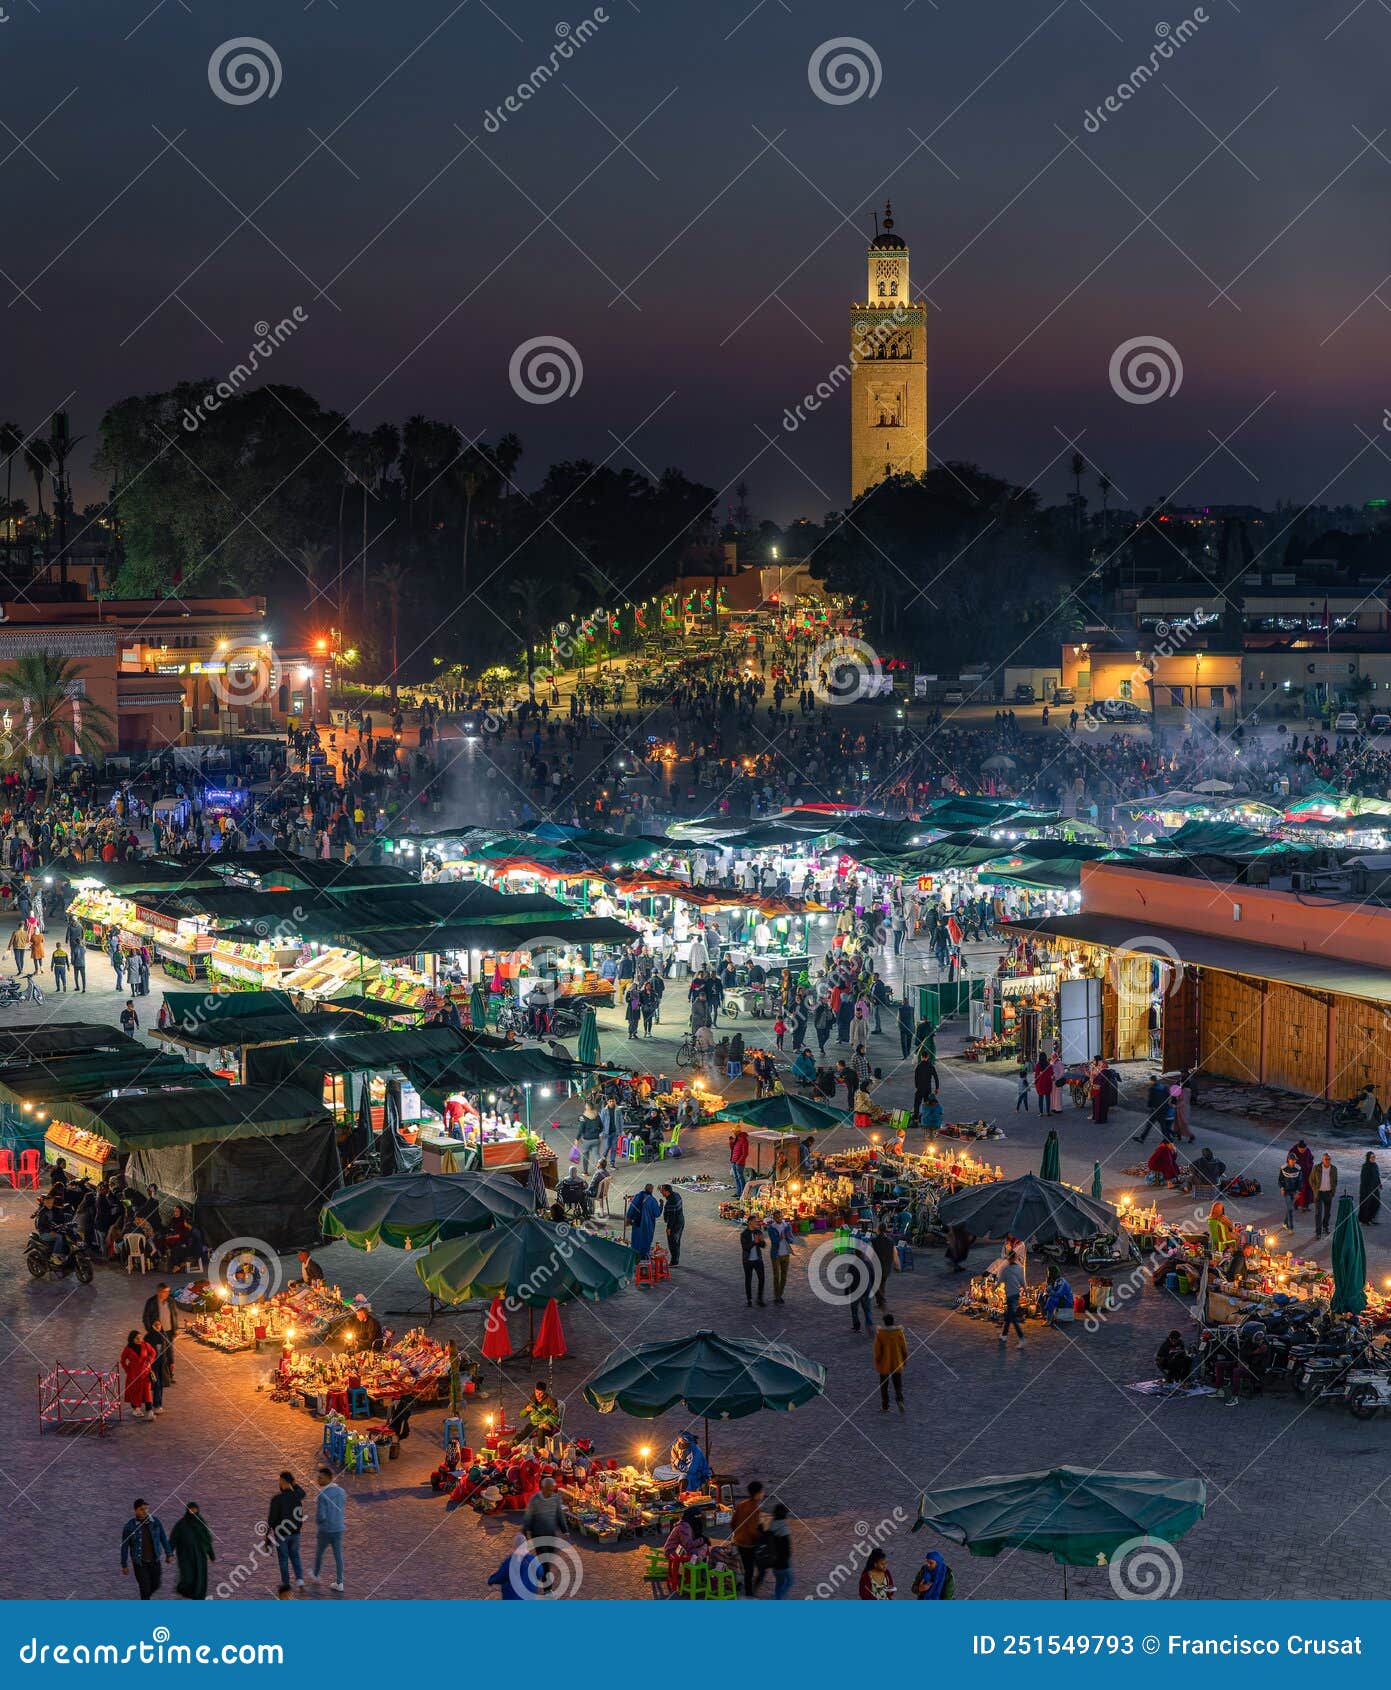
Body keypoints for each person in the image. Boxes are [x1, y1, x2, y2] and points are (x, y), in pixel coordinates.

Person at [120, 1500, 172, 1600]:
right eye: (141, 1509)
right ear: (135, 1511)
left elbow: (163, 1538)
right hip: (140, 1564)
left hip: (155, 1561)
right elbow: (124, 1546)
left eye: (146, 1509)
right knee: (144, 1588)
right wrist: (124, 1564)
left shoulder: (155, 1522)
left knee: (156, 1584)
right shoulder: (129, 1527)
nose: (145, 1511)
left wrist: (169, 1553)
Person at [141, 1282, 179, 1411]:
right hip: (156, 1334)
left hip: (168, 1332)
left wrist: (175, 1328)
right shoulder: (151, 1302)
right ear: (158, 1292)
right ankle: (161, 1376)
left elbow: (174, 1315)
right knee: (160, 1355)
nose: (166, 1294)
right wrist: (151, 1329)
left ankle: (168, 1373)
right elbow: (145, 1317)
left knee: (168, 1351)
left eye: (168, 1292)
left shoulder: (171, 1301)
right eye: (164, 1292)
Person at [266, 1472, 306, 1593]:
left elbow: (272, 1518)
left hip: (281, 1534)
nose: (279, 1484)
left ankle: (286, 1583)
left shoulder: (277, 1499)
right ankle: (300, 1580)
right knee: (295, 1556)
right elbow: (303, 1492)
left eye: (280, 1481)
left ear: (283, 1482)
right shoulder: (296, 1495)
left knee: (283, 1559)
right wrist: (294, 1484)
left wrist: (268, 1534)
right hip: (296, 1533)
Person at [170, 1502, 215, 1600]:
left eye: (195, 1509)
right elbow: (173, 1537)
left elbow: (207, 1540)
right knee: (188, 1576)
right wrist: (169, 1553)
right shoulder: (181, 1524)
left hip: (200, 1555)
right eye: (191, 1509)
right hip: (185, 1555)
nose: (193, 1511)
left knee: (200, 1576)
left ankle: (198, 1597)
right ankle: (185, 1590)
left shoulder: (201, 1523)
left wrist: (211, 1554)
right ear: (187, 1510)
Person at [312, 1466, 346, 1592]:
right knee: (338, 1556)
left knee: (320, 1553)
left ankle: (316, 1575)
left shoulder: (322, 1495)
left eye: (320, 1477)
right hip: (338, 1528)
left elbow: (321, 1516)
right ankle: (340, 1582)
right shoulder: (342, 1492)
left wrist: (318, 1521)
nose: (318, 1480)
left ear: (328, 1478)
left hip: (326, 1530)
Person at [730, 1480, 765, 1597]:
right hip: (749, 1544)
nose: (763, 1494)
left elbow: (733, 1523)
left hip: (739, 1541)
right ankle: (749, 1593)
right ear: (757, 1493)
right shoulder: (755, 1509)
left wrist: (738, 1533)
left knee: (746, 1567)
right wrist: (760, 1537)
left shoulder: (741, 1505)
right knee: (750, 1570)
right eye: (761, 1492)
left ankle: (745, 1587)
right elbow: (752, 1530)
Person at [756, 1502, 793, 1599]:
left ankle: (777, 1598)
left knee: (780, 1582)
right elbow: (785, 1549)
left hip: (774, 1563)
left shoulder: (771, 1525)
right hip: (783, 1564)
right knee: (789, 1581)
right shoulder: (783, 1529)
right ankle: (776, 1599)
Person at [487, 1535, 543, 1599]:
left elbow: (500, 1576)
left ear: (515, 1546)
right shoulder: (532, 1560)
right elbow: (540, 1572)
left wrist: (491, 1580)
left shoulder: (510, 1561)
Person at [873, 1310, 908, 1413]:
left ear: (884, 1322)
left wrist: (877, 1361)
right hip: (897, 1362)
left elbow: (877, 1351)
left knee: (884, 1386)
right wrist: (904, 1360)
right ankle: (900, 1400)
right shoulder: (899, 1333)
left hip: (884, 1364)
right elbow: (904, 1348)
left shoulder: (881, 1334)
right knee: (898, 1384)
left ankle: (885, 1406)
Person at [119, 1328, 157, 1421]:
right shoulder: (127, 1349)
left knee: (147, 1392)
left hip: (145, 1373)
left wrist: (149, 1361)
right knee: (135, 1391)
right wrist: (128, 1370)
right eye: (137, 1338)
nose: (140, 1340)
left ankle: (150, 1411)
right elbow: (123, 1361)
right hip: (133, 1374)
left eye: (140, 1337)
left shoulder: (145, 1345)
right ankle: (135, 1409)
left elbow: (153, 1352)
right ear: (132, 1339)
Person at [998, 1250, 1026, 1348]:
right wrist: (1026, 1289)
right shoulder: (1019, 1268)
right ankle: (1004, 1335)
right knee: (1009, 1315)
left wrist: (995, 1287)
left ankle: (1022, 1338)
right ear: (1014, 1258)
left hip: (1010, 1295)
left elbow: (1000, 1280)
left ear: (1008, 1258)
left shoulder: (1005, 1269)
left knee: (1012, 1318)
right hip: (1016, 1295)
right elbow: (1022, 1281)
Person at [625, 1183, 661, 1261]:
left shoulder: (637, 1196)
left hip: (637, 1224)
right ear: (651, 1190)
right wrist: (661, 1206)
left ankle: (635, 1258)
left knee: (636, 1240)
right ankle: (643, 1257)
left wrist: (628, 1219)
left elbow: (631, 1209)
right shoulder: (652, 1200)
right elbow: (657, 1214)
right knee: (646, 1241)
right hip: (647, 1225)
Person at [766, 1209, 794, 1304]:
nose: (779, 1218)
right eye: (777, 1217)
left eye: (780, 1216)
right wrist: (780, 1238)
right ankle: (776, 1296)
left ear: (782, 1216)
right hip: (776, 1255)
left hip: (786, 1253)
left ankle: (779, 1295)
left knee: (784, 1276)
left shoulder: (787, 1226)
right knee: (776, 1276)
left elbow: (791, 1238)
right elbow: (774, 1241)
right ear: (774, 1218)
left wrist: (789, 1239)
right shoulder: (771, 1228)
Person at [670, 1431, 711, 1496]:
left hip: (697, 1474)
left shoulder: (694, 1452)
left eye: (682, 1443)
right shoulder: (677, 1446)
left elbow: (691, 1470)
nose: (679, 1444)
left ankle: (685, 1498)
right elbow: (673, 1463)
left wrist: (676, 1460)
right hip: (682, 1470)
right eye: (678, 1442)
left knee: (684, 1478)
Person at [740, 1216, 768, 1307]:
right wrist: (754, 1242)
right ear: (750, 1222)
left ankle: (759, 1298)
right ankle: (749, 1299)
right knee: (748, 1279)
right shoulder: (744, 1234)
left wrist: (761, 1241)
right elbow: (745, 1248)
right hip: (747, 1261)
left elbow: (763, 1246)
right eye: (755, 1221)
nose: (757, 1223)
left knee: (762, 1279)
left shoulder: (758, 1232)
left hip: (758, 1260)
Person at [1311, 1153, 1338, 1238]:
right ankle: (1318, 1232)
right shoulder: (1316, 1168)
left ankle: (1325, 1227)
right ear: (1322, 1160)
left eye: (1329, 1159)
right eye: (1325, 1159)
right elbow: (1311, 1179)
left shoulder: (1334, 1169)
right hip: (1319, 1193)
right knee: (1318, 1213)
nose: (1327, 1161)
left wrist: (1333, 1191)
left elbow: (1335, 1180)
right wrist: (1315, 1189)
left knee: (1327, 1213)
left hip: (1328, 1193)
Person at [659, 1183, 685, 1266]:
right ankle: (676, 1258)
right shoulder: (676, 1195)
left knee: (672, 1242)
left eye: (662, 1191)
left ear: (667, 1191)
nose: (661, 1192)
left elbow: (672, 1217)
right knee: (676, 1241)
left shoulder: (671, 1201)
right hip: (681, 1220)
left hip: (675, 1224)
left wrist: (669, 1228)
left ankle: (674, 1261)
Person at [1278, 1150, 1303, 1230]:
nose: (1293, 1161)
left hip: (1294, 1192)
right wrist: (1281, 1188)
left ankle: (1285, 1223)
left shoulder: (1298, 1169)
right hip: (1286, 1191)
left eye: (1295, 1160)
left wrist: (1298, 1192)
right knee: (1291, 1209)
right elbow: (1280, 1180)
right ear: (1288, 1160)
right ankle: (1291, 1228)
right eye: (1292, 1160)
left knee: (1289, 1208)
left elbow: (1300, 1181)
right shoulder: (1283, 1168)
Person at [1360, 1152, 1382, 1225]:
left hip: (1375, 1188)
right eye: (1372, 1157)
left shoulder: (1375, 1165)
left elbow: (1377, 1175)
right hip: (1367, 1189)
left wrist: (1379, 1183)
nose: (1373, 1158)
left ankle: (1370, 1218)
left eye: (1374, 1157)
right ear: (1368, 1158)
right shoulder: (1365, 1166)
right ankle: (1364, 1220)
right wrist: (1367, 1189)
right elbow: (1363, 1179)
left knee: (1376, 1203)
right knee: (1366, 1205)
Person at [729, 1127, 751, 1197]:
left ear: (738, 1132)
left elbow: (745, 1153)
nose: (734, 1133)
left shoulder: (744, 1140)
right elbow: (732, 1149)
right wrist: (731, 1142)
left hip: (739, 1162)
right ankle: (738, 1193)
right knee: (736, 1177)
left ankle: (743, 1194)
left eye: (735, 1132)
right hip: (734, 1161)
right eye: (733, 1132)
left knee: (740, 1178)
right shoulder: (737, 1139)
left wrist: (739, 1161)